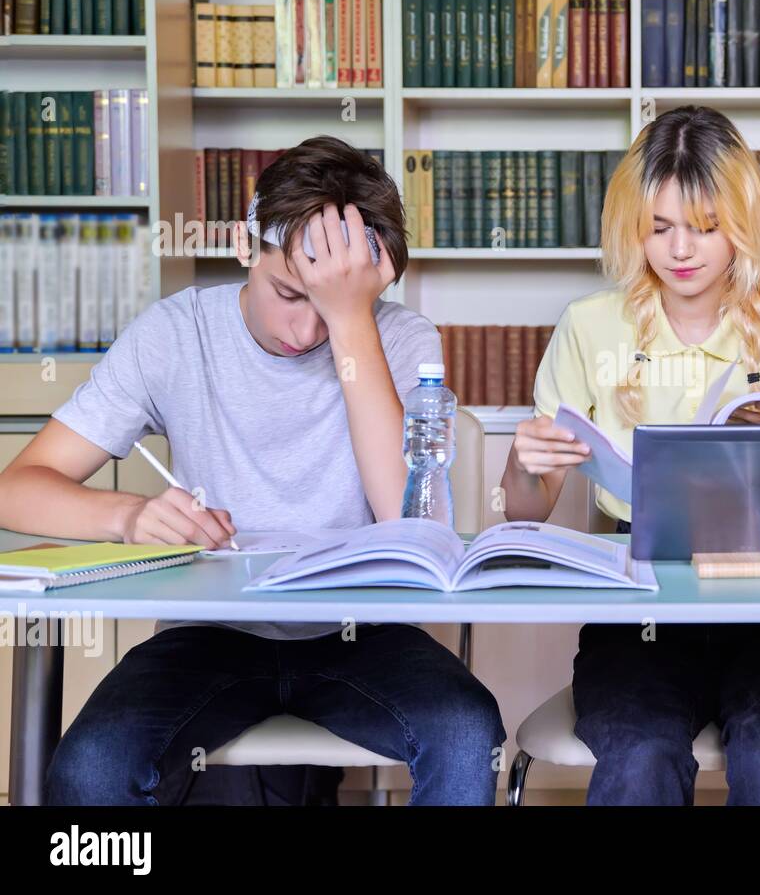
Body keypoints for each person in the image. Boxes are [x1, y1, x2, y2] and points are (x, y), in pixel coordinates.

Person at [0, 136, 505, 805]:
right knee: (91, 767)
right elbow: (16, 488)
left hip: (361, 633)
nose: (304, 333)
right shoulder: (174, 335)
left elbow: (402, 521)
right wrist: (127, 515)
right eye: (290, 293)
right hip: (209, 632)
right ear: (245, 245)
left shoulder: (402, 338)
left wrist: (352, 320)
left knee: (468, 734)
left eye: (327, 305)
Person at [499, 105, 760, 805]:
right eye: (659, 228)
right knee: (639, 757)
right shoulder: (589, 326)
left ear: (743, 227)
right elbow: (524, 512)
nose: (680, 250)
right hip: (643, 610)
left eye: (706, 228)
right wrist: (523, 464)